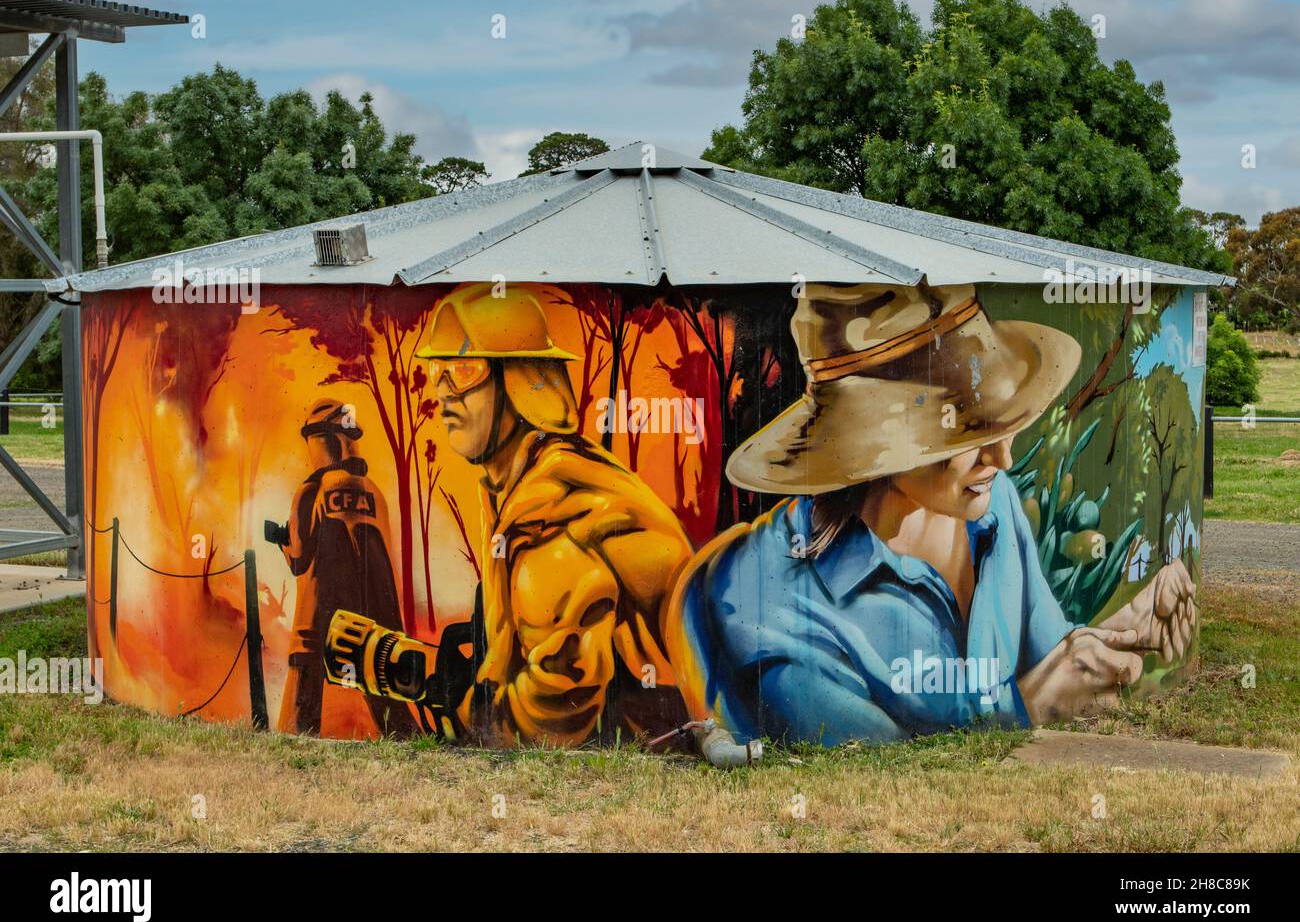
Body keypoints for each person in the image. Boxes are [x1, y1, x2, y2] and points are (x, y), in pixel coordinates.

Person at [666, 282, 1196, 746]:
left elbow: (1044, 663)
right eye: (965, 434)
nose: (1002, 459)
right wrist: (1030, 710)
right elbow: (869, 763)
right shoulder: (773, 610)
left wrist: (1121, 634)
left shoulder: (993, 505)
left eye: (999, 423)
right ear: (879, 441)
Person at [415, 282, 691, 746]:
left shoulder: (554, 528)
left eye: (463, 369)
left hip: (657, 736)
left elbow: (557, 712)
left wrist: (466, 716)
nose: (442, 392)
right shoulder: (524, 485)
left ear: (519, 383)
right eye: (437, 370)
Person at [271, 398, 419, 738]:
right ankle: (408, 740)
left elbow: (298, 558)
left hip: (318, 618)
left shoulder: (312, 489)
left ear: (320, 440)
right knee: (383, 685)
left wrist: (281, 540)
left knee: (302, 696)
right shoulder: (374, 492)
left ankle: (295, 743)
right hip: (374, 620)